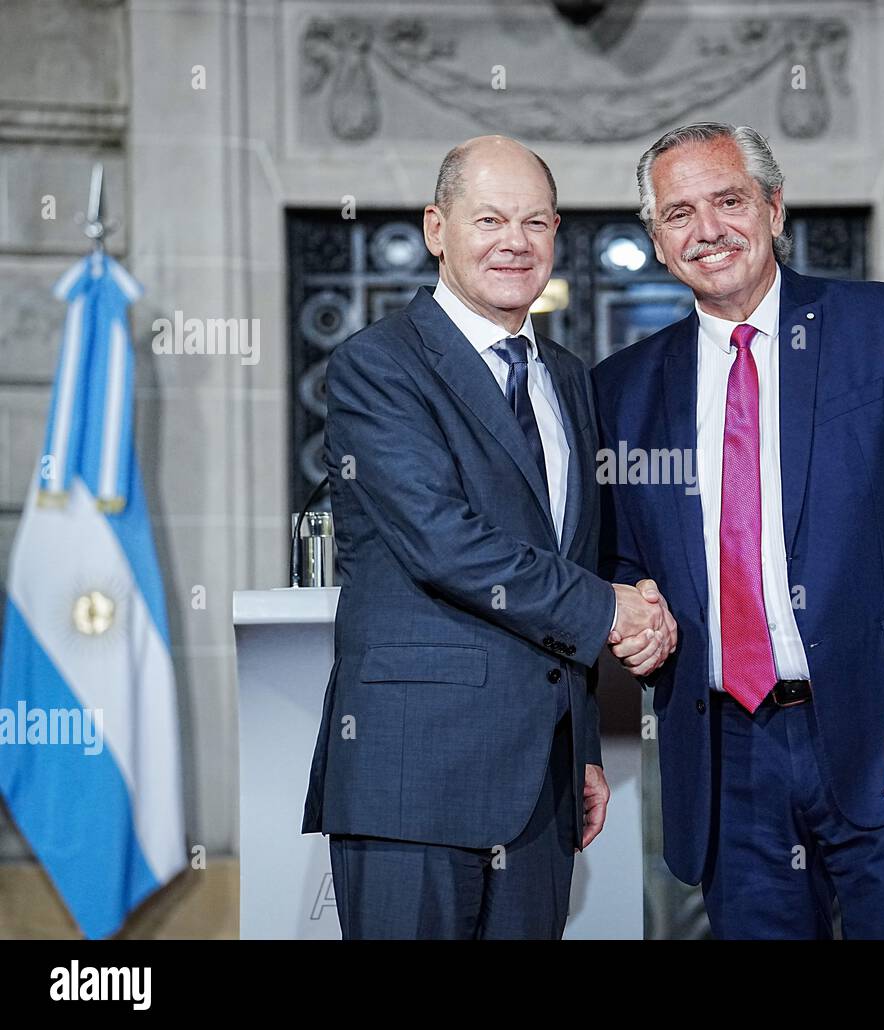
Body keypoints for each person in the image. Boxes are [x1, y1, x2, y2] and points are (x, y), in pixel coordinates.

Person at [594, 122, 884, 939]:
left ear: (775, 208)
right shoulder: (625, 388)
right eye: (678, 214)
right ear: (656, 241)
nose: (707, 230)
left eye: (728, 200)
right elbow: (621, 558)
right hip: (727, 764)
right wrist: (634, 603)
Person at [302, 135, 675, 939]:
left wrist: (580, 747)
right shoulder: (379, 366)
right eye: (491, 219)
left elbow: (565, 551)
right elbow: (444, 541)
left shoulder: (569, 376)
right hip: (413, 778)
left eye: (536, 223)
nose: (516, 242)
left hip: (541, 786)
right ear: (437, 228)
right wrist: (614, 611)